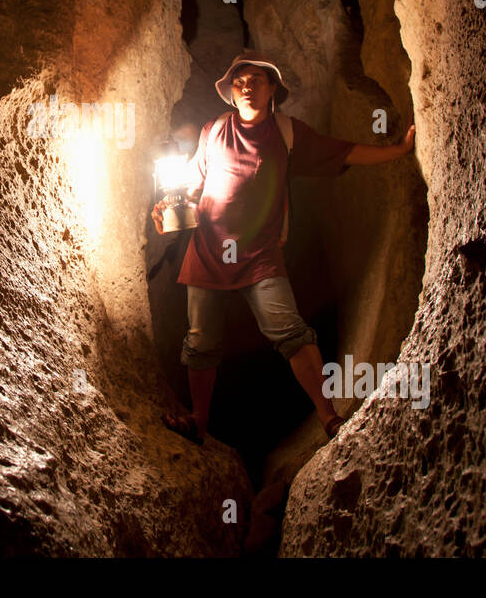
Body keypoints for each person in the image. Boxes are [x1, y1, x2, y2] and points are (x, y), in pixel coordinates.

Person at [153, 51, 415, 445]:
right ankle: (199, 421)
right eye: (240, 82)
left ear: (273, 88)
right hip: (208, 250)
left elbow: (340, 151)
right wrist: (169, 210)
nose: (247, 88)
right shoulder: (213, 130)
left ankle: (329, 417)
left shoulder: (287, 132)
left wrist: (396, 151)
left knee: (291, 332)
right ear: (230, 92)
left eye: (256, 80)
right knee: (201, 341)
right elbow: (193, 184)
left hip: (259, 255)